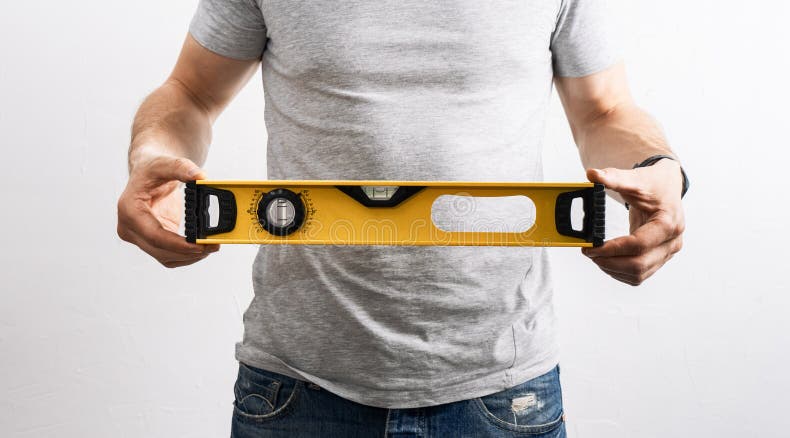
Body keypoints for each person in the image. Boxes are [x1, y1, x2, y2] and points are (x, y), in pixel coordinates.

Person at [117, 0, 687, 436]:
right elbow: (190, 92)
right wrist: (152, 161)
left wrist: (657, 168)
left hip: (501, 389)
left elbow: (605, 109)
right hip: (296, 386)